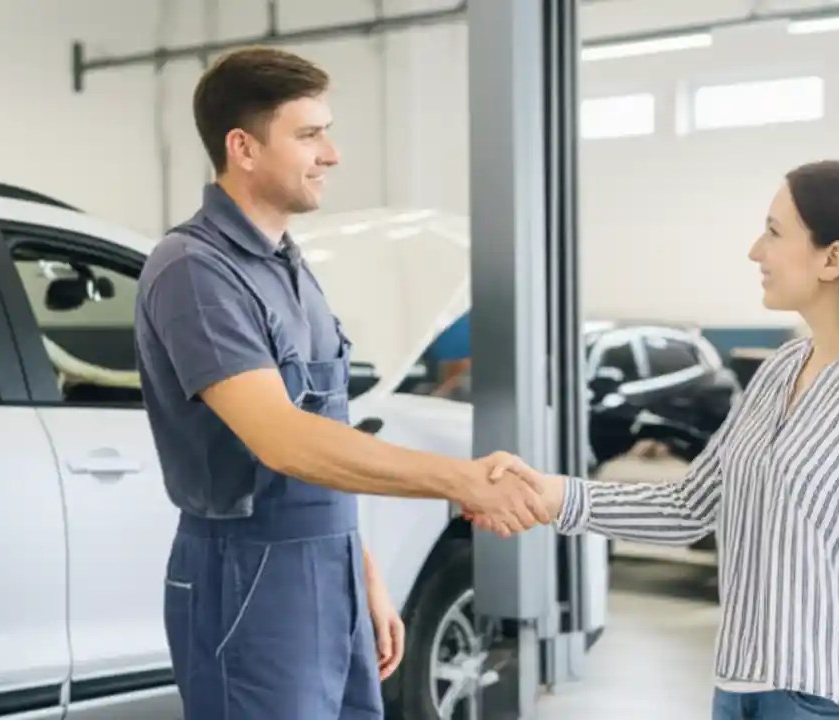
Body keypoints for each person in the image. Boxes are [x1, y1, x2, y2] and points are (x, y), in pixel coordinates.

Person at [477, 159, 839, 720]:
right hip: (737, 689)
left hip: (830, 702)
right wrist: (553, 496)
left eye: (774, 231)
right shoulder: (781, 369)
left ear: (833, 258)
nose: (755, 251)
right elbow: (690, 505)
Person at [133, 47, 546, 720]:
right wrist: (460, 479)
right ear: (242, 147)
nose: (332, 154)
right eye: (309, 134)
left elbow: (328, 432)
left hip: (330, 572)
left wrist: (363, 573)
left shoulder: (288, 265)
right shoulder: (194, 270)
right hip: (250, 580)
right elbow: (285, 440)